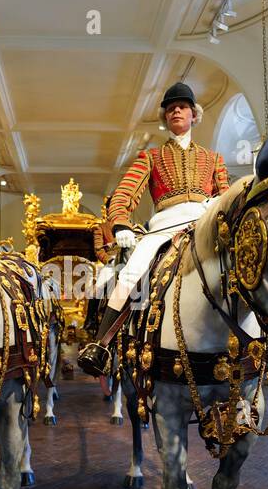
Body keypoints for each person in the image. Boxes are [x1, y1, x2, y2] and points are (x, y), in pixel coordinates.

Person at [77, 82, 228, 376]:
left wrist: (221, 201)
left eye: (182, 107)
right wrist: (120, 223)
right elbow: (123, 195)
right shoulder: (151, 157)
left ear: (194, 115)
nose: (176, 111)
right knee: (131, 271)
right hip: (163, 226)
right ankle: (101, 344)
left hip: (204, 221)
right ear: (165, 118)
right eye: (171, 108)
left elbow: (227, 192)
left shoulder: (214, 159)